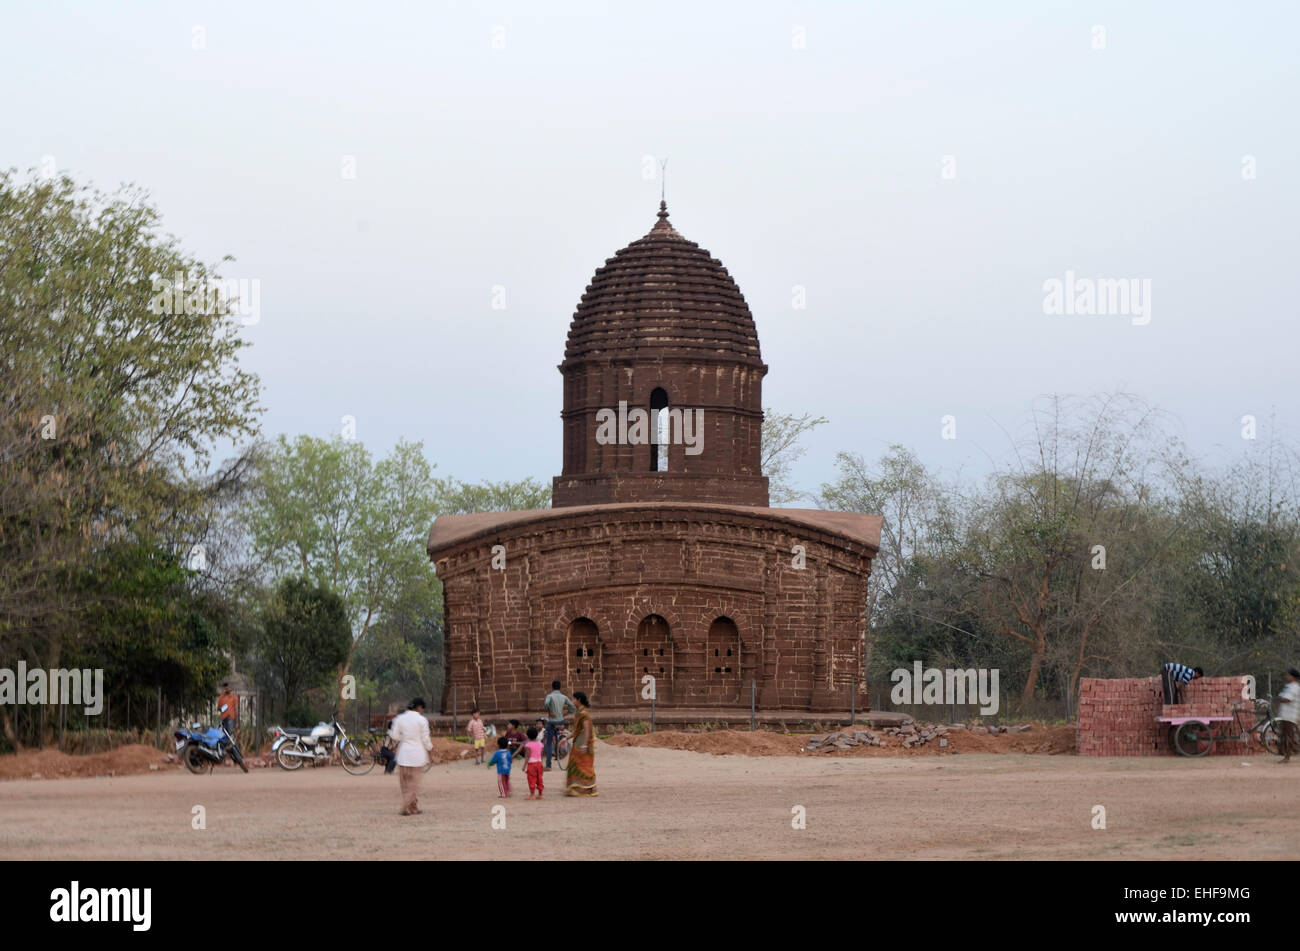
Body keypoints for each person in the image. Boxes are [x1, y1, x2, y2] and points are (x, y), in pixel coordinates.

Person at [388, 698, 433, 816]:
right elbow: (425, 738)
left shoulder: (400, 718)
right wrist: (430, 750)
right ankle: (405, 806)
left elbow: (395, 736)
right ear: (419, 708)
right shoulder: (422, 720)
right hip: (417, 756)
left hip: (403, 755)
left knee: (405, 785)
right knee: (414, 785)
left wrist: (405, 738)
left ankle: (413, 807)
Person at [565, 691, 597, 797]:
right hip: (578, 742)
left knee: (584, 765)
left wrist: (584, 745)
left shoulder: (584, 714)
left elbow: (587, 730)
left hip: (583, 743)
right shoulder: (578, 713)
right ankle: (577, 788)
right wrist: (566, 738)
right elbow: (577, 730)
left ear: (578, 700)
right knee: (574, 763)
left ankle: (587, 789)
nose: (572, 701)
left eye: (573, 699)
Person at [542, 680, 576, 770]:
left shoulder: (550, 696)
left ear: (552, 687)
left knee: (549, 743)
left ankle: (548, 765)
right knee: (560, 738)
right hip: (560, 721)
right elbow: (573, 707)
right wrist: (565, 713)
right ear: (560, 687)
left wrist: (549, 711)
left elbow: (546, 704)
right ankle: (561, 755)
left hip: (552, 721)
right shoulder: (564, 697)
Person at [1276, 668, 1300, 764]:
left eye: (1288, 675)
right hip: (1285, 715)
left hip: (1291, 715)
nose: (1286, 677)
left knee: (1289, 736)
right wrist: (1281, 698)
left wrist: (1281, 699)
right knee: (1285, 735)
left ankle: (1287, 757)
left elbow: (1288, 699)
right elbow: (1282, 696)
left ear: (1293, 677)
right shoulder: (1289, 686)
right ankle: (1287, 752)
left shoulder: (1295, 687)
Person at [523, 726, 545, 799]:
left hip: (532, 764)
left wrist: (524, 766)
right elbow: (541, 755)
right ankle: (540, 794)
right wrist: (541, 763)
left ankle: (532, 795)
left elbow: (527, 756)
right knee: (539, 779)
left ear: (528, 736)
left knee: (531, 779)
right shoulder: (541, 744)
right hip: (539, 763)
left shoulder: (528, 745)